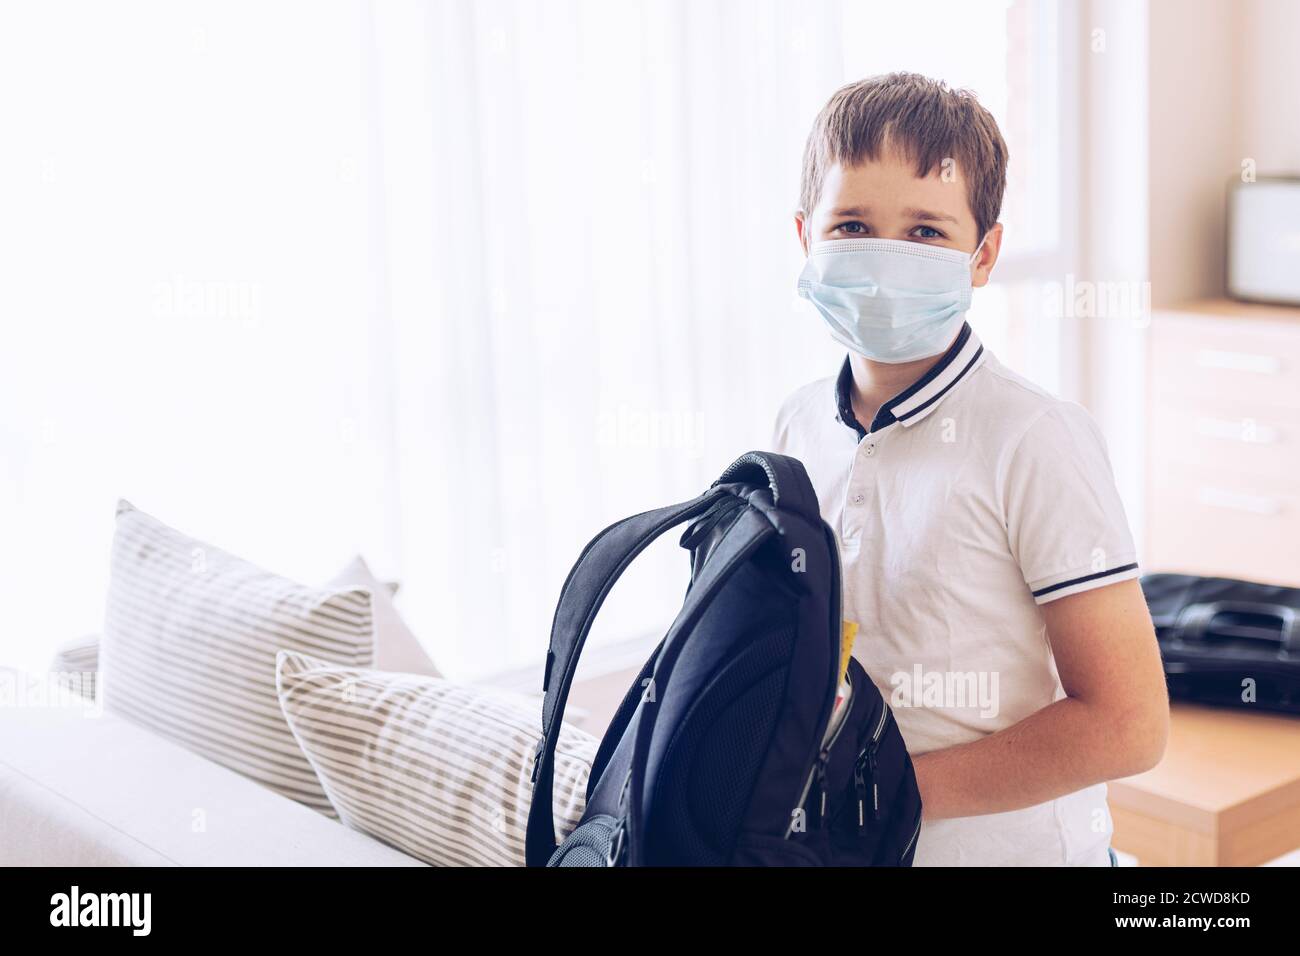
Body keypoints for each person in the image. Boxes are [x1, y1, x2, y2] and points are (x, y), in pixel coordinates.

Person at [772, 73, 1169, 866]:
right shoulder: (797, 422)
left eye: (926, 232)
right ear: (804, 236)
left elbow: (1128, 724)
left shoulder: (1036, 438)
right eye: (852, 223)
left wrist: (888, 794)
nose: (885, 256)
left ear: (983, 255)